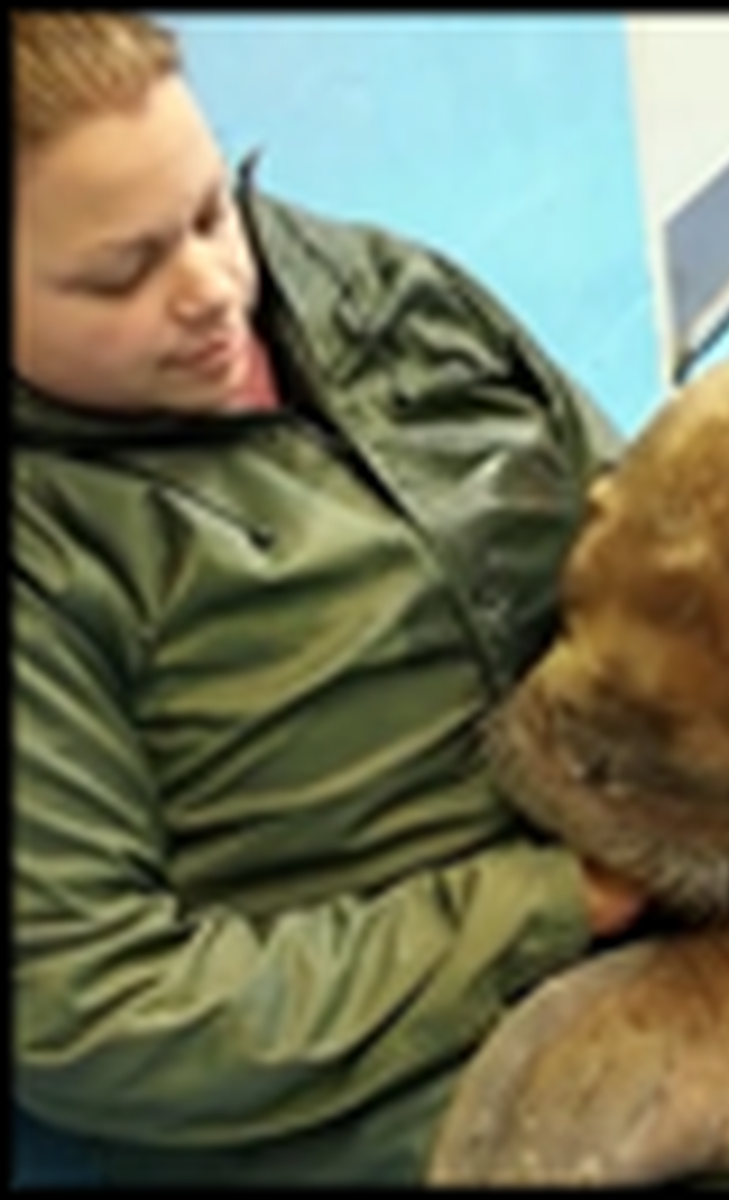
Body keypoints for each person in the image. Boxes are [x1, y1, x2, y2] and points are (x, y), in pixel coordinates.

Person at [13, 11, 649, 1186]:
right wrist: (547, 907)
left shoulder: (368, 285)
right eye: (122, 272)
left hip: (646, 879)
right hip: (360, 1074)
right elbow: (90, 1012)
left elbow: (638, 520)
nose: (212, 289)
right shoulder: (45, 551)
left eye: (209, 210)